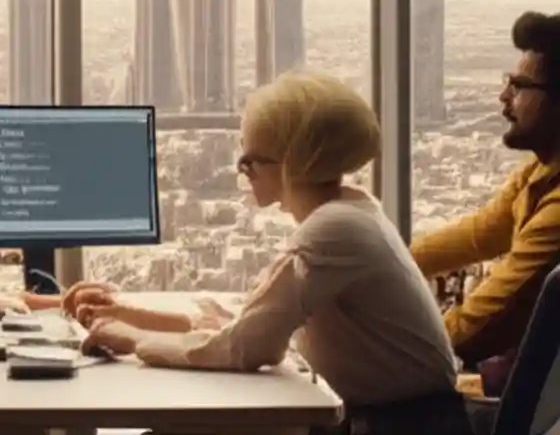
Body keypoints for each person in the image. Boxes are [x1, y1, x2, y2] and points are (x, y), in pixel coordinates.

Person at [77, 71, 471, 434]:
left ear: (293, 164)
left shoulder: (333, 229)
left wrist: (133, 341)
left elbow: (247, 346)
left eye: (249, 160)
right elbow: (255, 320)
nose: (242, 170)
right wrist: (128, 316)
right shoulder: (353, 209)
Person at [410, 10, 560, 367]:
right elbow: (479, 234)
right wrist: (385, 266)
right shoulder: (538, 174)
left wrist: (405, 352)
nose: (503, 96)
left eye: (519, 86)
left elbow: (489, 319)